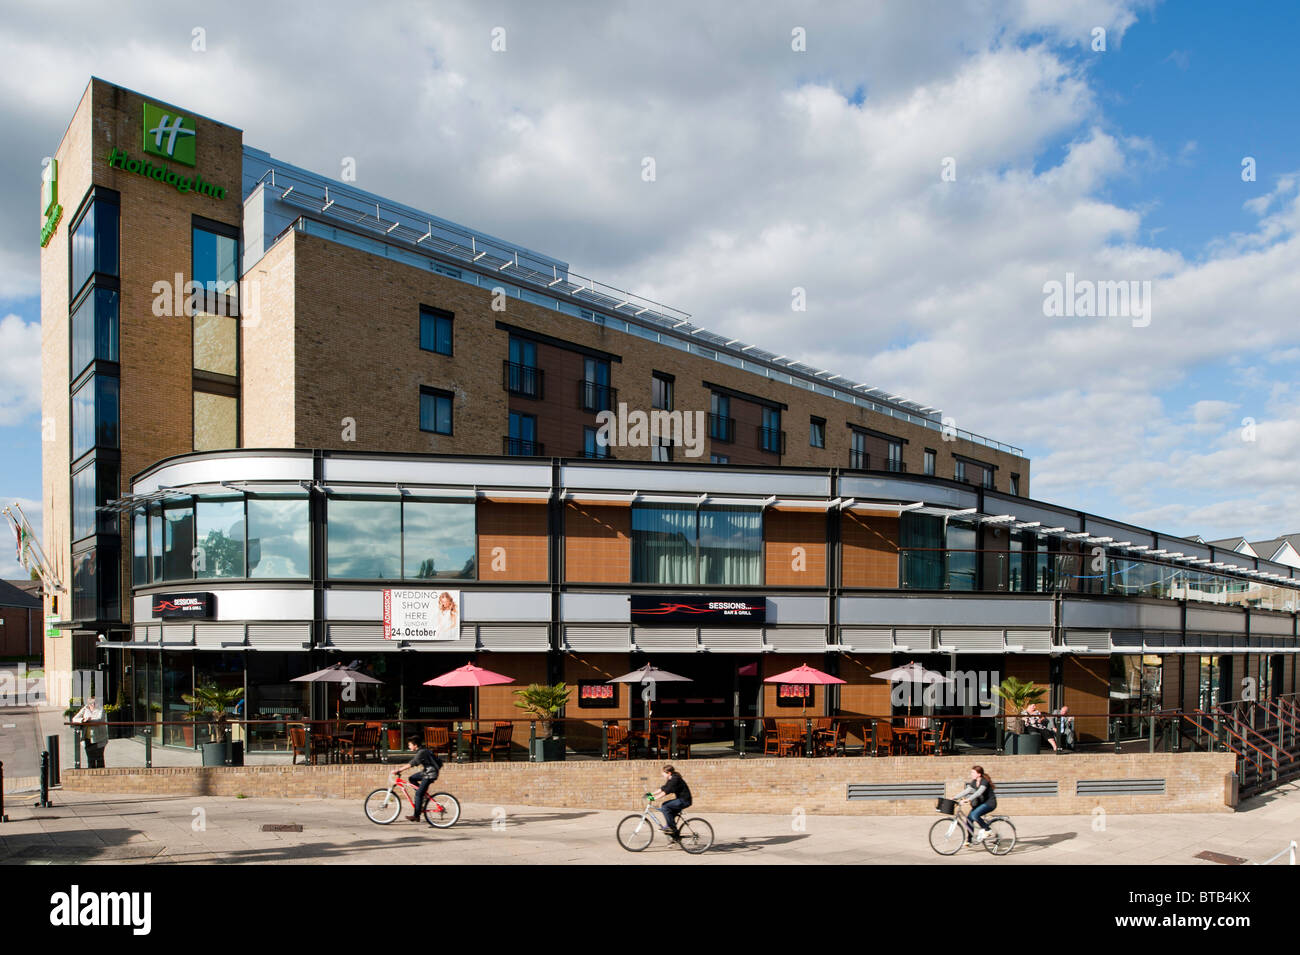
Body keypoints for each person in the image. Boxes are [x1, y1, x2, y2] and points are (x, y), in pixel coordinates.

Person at [394, 734, 444, 822]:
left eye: (410, 745)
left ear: (415, 745)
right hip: (427, 771)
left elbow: (412, 763)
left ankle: (416, 816)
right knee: (412, 778)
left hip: (430, 774)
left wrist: (399, 770)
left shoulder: (421, 752)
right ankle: (422, 796)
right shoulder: (422, 750)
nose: (409, 747)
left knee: (418, 794)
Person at [953, 765, 997, 844]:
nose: (971, 774)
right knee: (969, 819)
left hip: (990, 803)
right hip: (981, 803)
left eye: (973, 773)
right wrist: (954, 798)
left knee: (975, 815)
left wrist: (968, 799)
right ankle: (969, 840)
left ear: (979, 774)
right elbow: (967, 791)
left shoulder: (984, 782)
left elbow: (978, 793)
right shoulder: (974, 782)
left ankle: (988, 830)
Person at [650, 763, 692, 836]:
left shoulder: (675, 779)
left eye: (664, 773)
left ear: (669, 773)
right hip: (681, 800)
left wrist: (654, 798)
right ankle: (674, 835)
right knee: (669, 812)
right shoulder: (671, 779)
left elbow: (666, 791)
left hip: (684, 800)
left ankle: (672, 828)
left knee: (665, 806)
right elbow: (663, 788)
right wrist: (650, 794)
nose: (662, 774)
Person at [71, 696, 109, 768]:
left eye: (95, 703)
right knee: (90, 759)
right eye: (91, 703)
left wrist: (88, 720)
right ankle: (91, 773)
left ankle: (101, 774)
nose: (93, 705)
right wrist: (82, 720)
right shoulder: (85, 709)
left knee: (99, 759)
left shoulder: (101, 709)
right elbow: (74, 719)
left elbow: (99, 720)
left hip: (99, 738)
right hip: (87, 738)